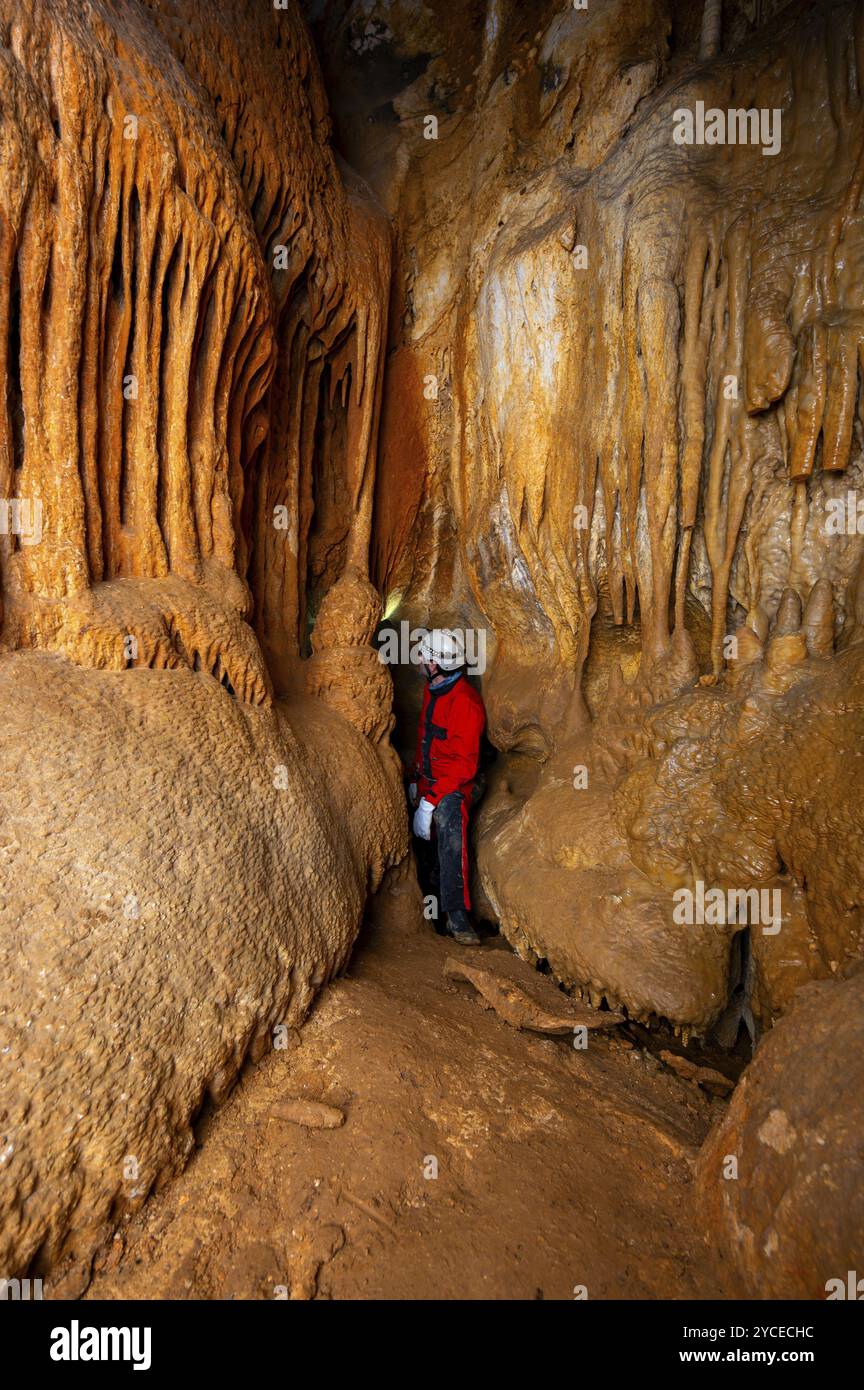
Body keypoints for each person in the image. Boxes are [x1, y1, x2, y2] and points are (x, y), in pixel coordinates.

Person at [408, 629, 486, 945]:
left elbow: (464, 766)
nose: (421, 663)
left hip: (457, 783)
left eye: (426, 658)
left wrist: (431, 802)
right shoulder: (435, 689)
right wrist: (415, 781)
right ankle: (428, 899)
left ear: (439, 664)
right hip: (429, 780)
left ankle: (457, 916)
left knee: (449, 819)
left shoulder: (465, 703)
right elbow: (425, 739)